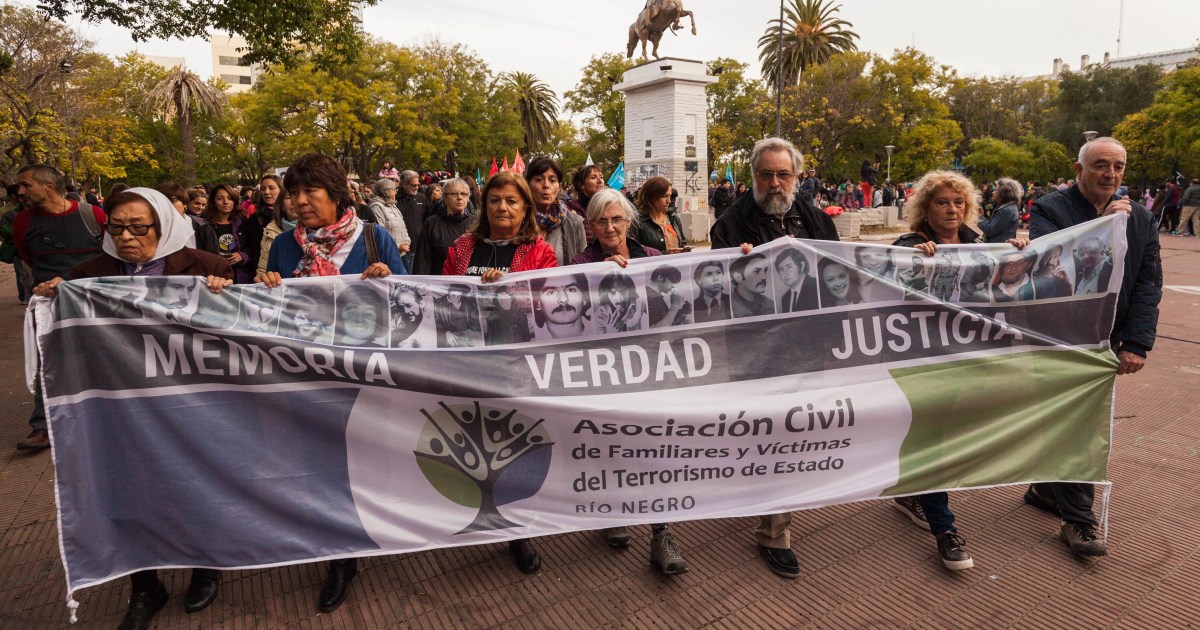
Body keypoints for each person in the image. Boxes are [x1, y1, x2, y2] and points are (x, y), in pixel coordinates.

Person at [32, 187, 233, 630]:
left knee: (198, 484)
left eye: (138, 228)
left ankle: (205, 565)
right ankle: (145, 586)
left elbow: (244, 335)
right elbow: (70, 344)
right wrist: (53, 298)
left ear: (163, 226)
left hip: (194, 407)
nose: (125, 237)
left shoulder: (207, 268)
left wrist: (227, 295)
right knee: (131, 492)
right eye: (116, 227)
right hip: (123, 413)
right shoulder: (89, 277)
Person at [258, 153, 407, 612]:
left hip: (365, 375)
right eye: (294, 193)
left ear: (336, 194)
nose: (299, 201)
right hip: (308, 375)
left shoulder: (374, 238)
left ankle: (374, 529)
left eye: (310, 192)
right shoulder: (285, 245)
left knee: (364, 459)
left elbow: (408, 300)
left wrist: (387, 279)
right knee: (320, 461)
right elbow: (270, 309)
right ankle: (340, 554)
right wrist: (266, 285)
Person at [709, 137, 839, 579]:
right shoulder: (731, 223)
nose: (775, 182)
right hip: (756, 349)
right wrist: (738, 270)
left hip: (806, 346)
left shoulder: (817, 219)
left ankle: (773, 522)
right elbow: (714, 288)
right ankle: (772, 524)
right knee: (766, 433)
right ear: (753, 176)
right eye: (766, 174)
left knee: (792, 434)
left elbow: (839, 278)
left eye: (783, 174)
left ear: (797, 177)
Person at [1027, 137, 1162, 558]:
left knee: (1073, 423)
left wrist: (1137, 342)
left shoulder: (1139, 218)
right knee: (1077, 427)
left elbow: (1147, 281)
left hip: (1106, 338)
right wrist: (1102, 222)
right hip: (1057, 335)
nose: (1111, 174)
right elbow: (1047, 265)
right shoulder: (1051, 208)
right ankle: (1080, 522)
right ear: (1079, 168)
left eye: (1119, 166)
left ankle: (1048, 491)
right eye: (1101, 165)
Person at [889, 169, 1030, 569]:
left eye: (958, 203)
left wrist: (1019, 253)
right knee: (936, 435)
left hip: (969, 358)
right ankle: (944, 530)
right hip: (924, 360)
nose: (951, 210)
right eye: (941, 202)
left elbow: (1005, 290)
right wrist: (914, 264)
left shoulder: (982, 245)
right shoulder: (908, 245)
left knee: (938, 432)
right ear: (925, 207)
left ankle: (909, 488)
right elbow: (889, 293)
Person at [442, 170, 557, 574]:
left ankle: (517, 531)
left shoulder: (540, 252)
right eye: (494, 200)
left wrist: (508, 290)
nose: (502, 208)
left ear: (525, 207)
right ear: (483, 205)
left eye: (511, 201)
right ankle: (482, 515)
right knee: (474, 445)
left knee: (511, 447)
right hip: (468, 364)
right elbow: (442, 300)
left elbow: (547, 308)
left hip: (514, 368)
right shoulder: (461, 249)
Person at [12, 164, 106, 452]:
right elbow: (28, 258)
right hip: (49, 304)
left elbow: (108, 257)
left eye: (26, 185)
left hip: (91, 302)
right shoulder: (22, 222)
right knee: (48, 361)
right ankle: (42, 426)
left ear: (48, 186)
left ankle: (102, 417)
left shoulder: (92, 215)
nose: (20, 191)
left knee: (100, 357)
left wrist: (70, 282)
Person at [525, 156, 586, 266]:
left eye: (552, 180)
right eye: (539, 180)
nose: (546, 186)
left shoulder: (574, 223)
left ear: (559, 187)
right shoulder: (518, 220)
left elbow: (584, 267)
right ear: (528, 184)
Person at [413, 178, 473, 275]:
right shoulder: (432, 223)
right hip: (440, 284)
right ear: (444, 197)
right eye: (454, 194)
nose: (459, 197)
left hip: (471, 285)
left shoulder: (476, 223)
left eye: (463, 194)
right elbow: (422, 260)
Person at [203, 184, 254, 284]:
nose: (225, 202)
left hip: (241, 277)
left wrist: (242, 256)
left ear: (234, 201)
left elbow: (253, 247)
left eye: (229, 198)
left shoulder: (244, 221)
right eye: (220, 198)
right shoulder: (205, 224)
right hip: (215, 279)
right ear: (214, 202)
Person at [156, 181, 219, 255]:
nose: (167, 205)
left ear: (184, 203)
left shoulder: (201, 225)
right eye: (162, 201)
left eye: (173, 201)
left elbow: (213, 257)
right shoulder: (152, 226)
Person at [634, 176, 687, 254]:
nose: (669, 201)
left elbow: (682, 243)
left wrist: (685, 250)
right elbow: (634, 251)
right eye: (665, 196)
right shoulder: (637, 221)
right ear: (652, 197)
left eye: (670, 196)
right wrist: (664, 253)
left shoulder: (673, 218)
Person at [366, 179, 412, 258]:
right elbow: (380, 232)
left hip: (401, 254)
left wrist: (407, 242)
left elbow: (403, 228)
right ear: (386, 191)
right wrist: (397, 246)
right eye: (394, 189)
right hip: (387, 255)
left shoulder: (393, 205)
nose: (396, 192)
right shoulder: (376, 207)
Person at [397, 170, 429, 272]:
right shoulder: (395, 199)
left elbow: (428, 219)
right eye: (413, 185)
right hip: (401, 248)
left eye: (418, 185)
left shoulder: (421, 198)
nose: (416, 188)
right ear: (404, 184)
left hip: (419, 247)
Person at [257, 191, 295, 276]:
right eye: (289, 197)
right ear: (281, 206)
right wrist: (262, 279)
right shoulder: (270, 231)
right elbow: (263, 271)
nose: (294, 201)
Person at [979, 178, 1023, 243]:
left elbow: (990, 230)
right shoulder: (1008, 208)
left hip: (996, 249)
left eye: (996, 190)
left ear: (1004, 193)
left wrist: (979, 218)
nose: (993, 192)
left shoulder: (1007, 210)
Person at [730, 253, 774, 317]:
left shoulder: (769, 304)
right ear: (738, 277)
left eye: (765, 271)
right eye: (756, 271)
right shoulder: (725, 306)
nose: (764, 277)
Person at [775, 248, 818, 312]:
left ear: (802, 266)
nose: (785, 273)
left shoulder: (817, 286)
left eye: (789, 267)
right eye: (781, 269)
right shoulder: (785, 298)